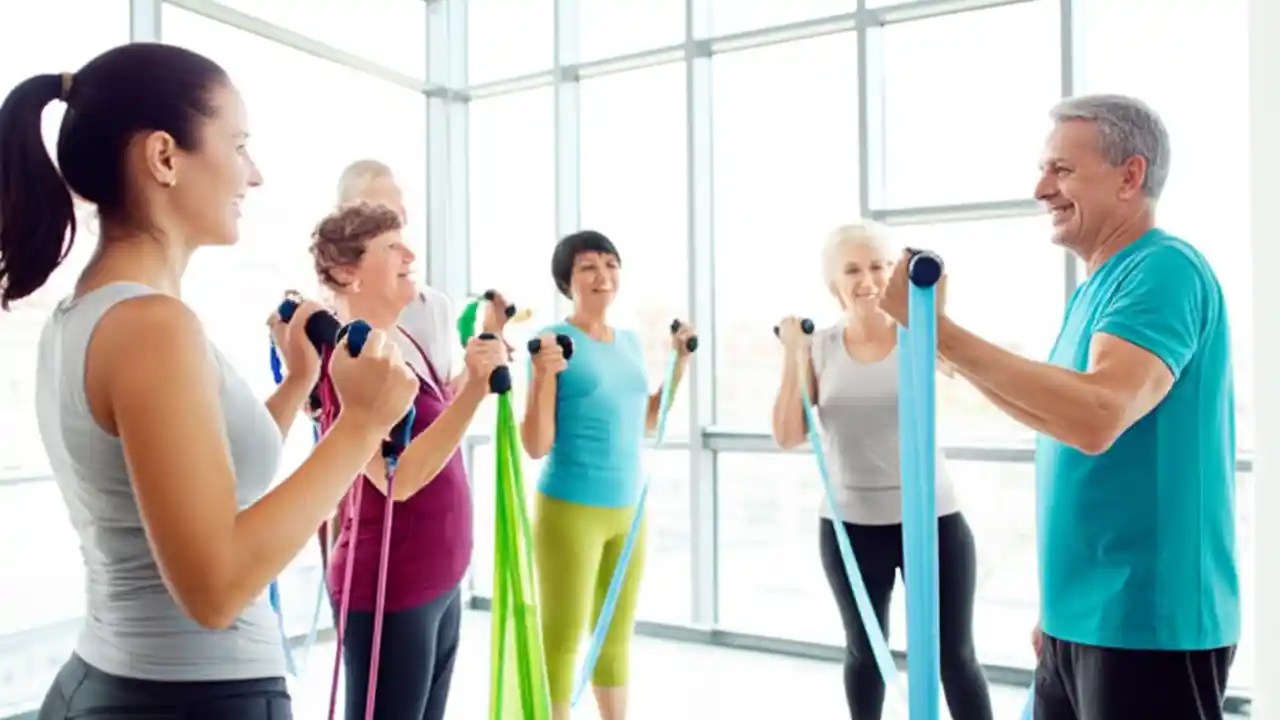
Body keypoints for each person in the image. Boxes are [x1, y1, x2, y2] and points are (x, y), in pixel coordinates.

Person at [0, 44, 419, 718]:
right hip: (190, 698)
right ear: (164, 157)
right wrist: (361, 426)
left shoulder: (94, 313)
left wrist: (295, 386)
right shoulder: (151, 327)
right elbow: (215, 588)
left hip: (119, 681)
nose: (253, 175)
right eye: (240, 144)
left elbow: (201, 484)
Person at [879, 94, 1238, 719]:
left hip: (1147, 623)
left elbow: (1097, 415)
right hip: (1086, 618)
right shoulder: (1099, 286)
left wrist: (950, 335)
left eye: (1062, 170)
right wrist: (1062, 610)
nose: (1041, 188)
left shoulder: (1164, 269)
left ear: (1131, 176)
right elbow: (1060, 420)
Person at [772, 224, 994, 720]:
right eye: (853, 269)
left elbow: (973, 368)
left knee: (953, 657)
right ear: (834, 283)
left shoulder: (920, 335)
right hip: (850, 528)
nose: (867, 279)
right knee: (865, 654)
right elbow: (788, 433)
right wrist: (793, 354)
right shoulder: (820, 347)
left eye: (879, 266)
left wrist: (936, 300)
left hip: (934, 522)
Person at [307, 201, 508, 720]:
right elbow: (398, 478)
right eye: (391, 246)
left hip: (441, 574)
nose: (410, 253)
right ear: (346, 272)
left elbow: (434, 419)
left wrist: (478, 359)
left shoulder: (404, 345)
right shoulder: (344, 364)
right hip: (391, 587)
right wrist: (473, 394)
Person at [520, 230, 696, 720]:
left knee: (615, 636)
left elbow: (647, 418)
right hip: (569, 510)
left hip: (628, 510)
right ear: (566, 281)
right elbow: (535, 445)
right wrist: (541, 376)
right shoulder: (554, 342)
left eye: (610, 264)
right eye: (587, 267)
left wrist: (680, 364)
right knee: (562, 636)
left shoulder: (632, 343)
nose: (603, 276)